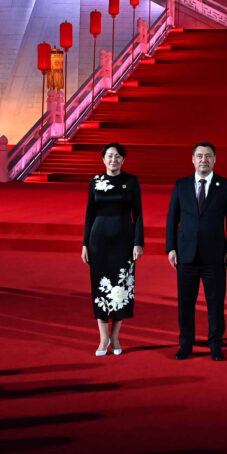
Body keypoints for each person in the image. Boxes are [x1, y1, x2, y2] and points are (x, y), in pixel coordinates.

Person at [166, 141, 227, 361]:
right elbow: (172, 219)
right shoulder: (181, 185)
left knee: (215, 303)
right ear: (193, 159)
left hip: (215, 255)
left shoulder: (225, 186)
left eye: (208, 156)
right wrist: (171, 248)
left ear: (215, 159)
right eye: (199, 156)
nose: (203, 160)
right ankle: (186, 344)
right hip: (186, 255)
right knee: (185, 303)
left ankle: (215, 345)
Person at [81, 142, 144, 356]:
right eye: (109, 156)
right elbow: (89, 214)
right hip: (98, 240)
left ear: (123, 160)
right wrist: (84, 244)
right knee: (100, 288)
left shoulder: (131, 181)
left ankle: (116, 337)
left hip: (124, 240)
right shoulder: (95, 182)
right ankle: (102, 339)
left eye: (118, 156)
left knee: (121, 289)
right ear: (103, 159)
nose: (113, 160)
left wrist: (138, 243)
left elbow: (138, 214)